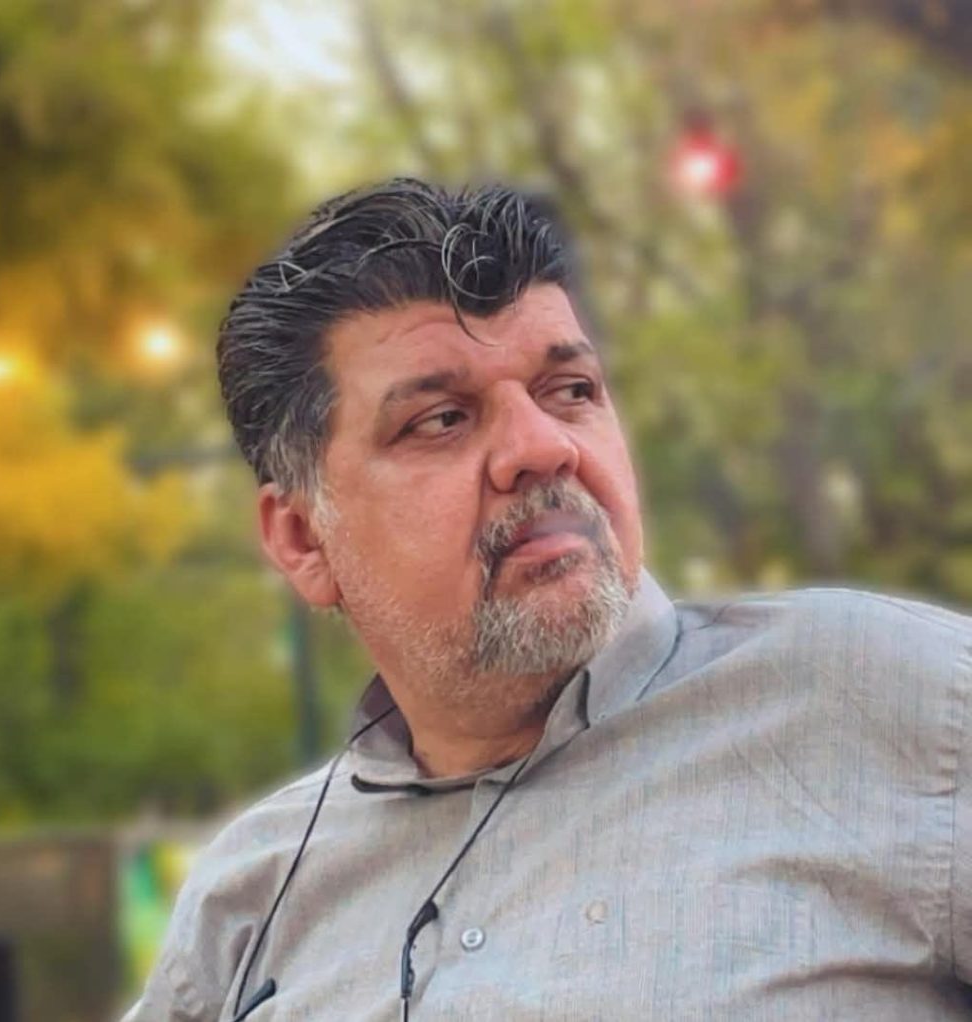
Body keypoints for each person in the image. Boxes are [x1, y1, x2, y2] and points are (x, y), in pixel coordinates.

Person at [124, 178, 972, 1021]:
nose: (542, 446)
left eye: (570, 391)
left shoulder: (901, 704)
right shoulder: (249, 899)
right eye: (442, 419)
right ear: (304, 540)